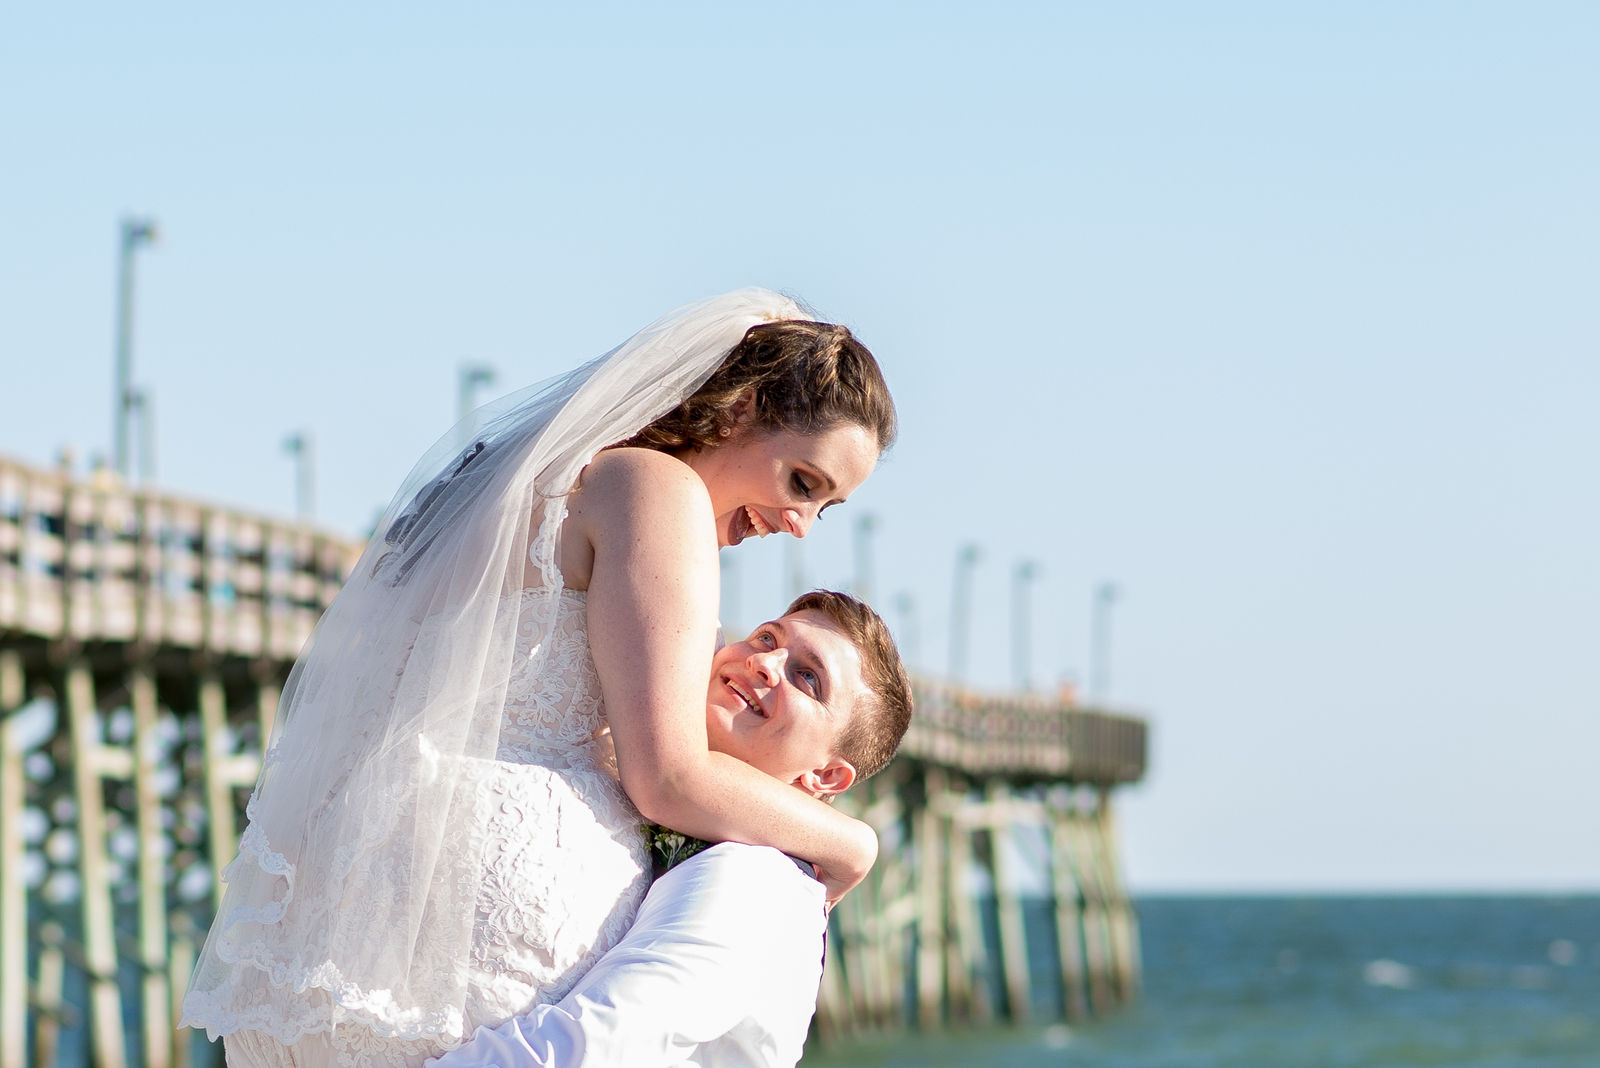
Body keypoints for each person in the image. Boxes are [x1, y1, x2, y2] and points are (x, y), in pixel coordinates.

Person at [180, 290, 897, 1067]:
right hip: (466, 957)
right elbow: (669, 777)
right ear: (740, 410)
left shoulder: (543, 479)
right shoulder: (658, 491)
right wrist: (849, 841)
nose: (798, 523)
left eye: (823, 508)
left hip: (327, 933)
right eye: (801, 481)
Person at [428, 590, 914, 1068]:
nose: (766, 663)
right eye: (768, 639)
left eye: (807, 677)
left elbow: (595, 1047)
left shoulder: (756, 880)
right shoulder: (709, 842)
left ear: (825, 777)